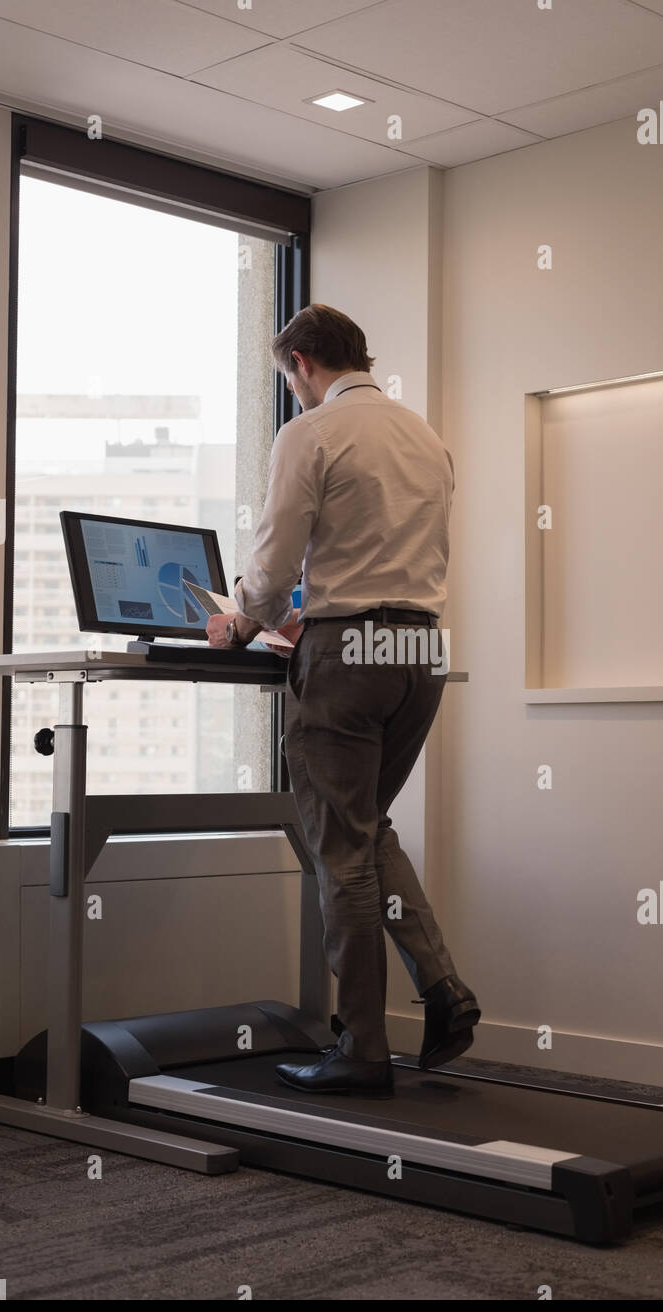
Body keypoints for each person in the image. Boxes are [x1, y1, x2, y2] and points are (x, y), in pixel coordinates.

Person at [207, 304, 479, 1095]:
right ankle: (443, 990)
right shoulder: (423, 435)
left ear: (300, 363)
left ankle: (362, 1047)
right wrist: (312, 605)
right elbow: (392, 552)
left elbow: (274, 552)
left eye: (288, 378)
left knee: (339, 851)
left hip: (348, 655)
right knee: (364, 829)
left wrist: (242, 619)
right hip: (416, 647)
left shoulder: (311, 432)